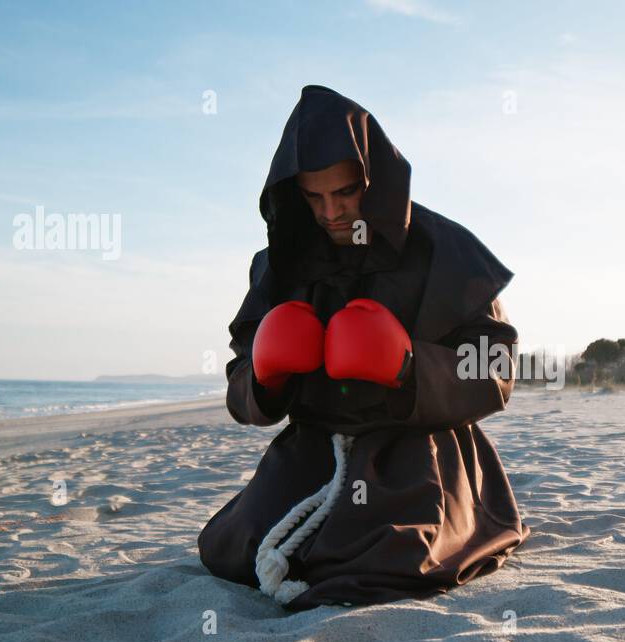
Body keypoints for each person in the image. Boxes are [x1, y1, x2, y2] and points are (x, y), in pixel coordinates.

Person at [197, 84, 529, 612]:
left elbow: (498, 366)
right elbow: (240, 386)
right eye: (313, 197)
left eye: (345, 192)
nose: (331, 211)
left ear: (373, 180)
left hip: (418, 449)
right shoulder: (277, 263)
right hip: (314, 452)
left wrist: (409, 368)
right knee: (234, 549)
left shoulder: (443, 247)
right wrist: (264, 374)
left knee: (394, 556)